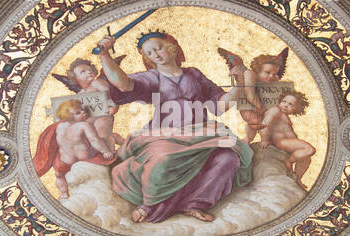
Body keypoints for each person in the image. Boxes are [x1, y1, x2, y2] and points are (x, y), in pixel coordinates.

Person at [97, 30, 251, 223]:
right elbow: (124, 85)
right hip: (164, 134)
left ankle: (195, 204)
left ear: (171, 46)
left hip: (202, 133)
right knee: (164, 158)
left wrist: (239, 85)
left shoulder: (194, 74)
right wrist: (104, 54)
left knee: (228, 159)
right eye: (149, 53)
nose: (156, 55)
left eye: (158, 48)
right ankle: (153, 204)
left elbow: (219, 106)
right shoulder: (151, 77)